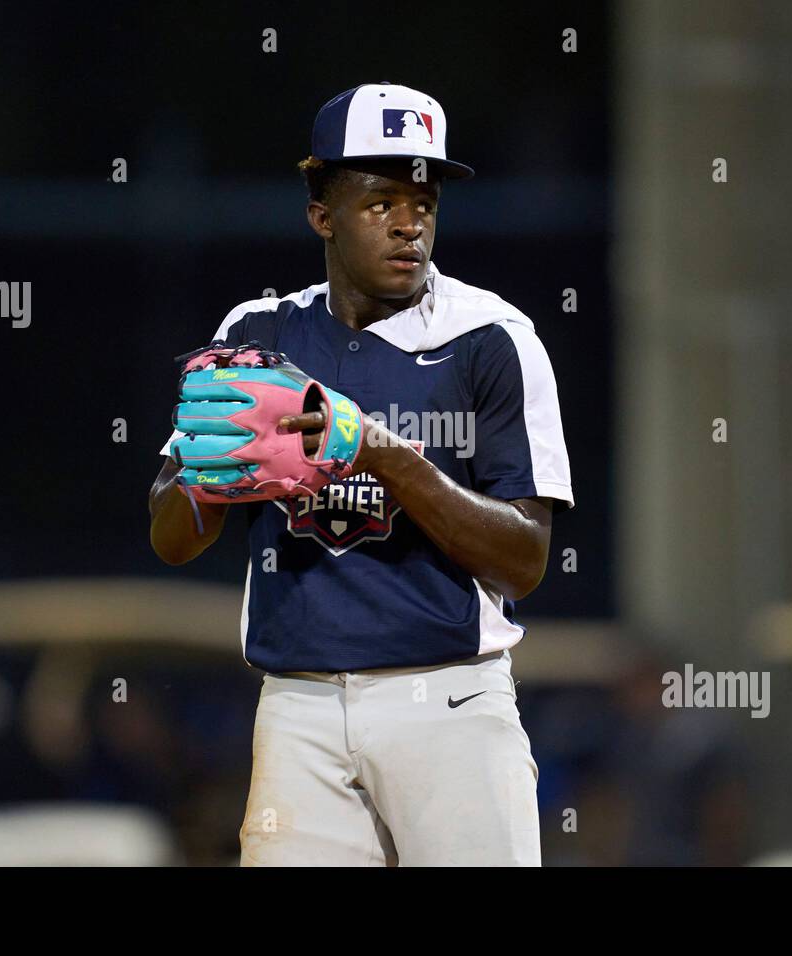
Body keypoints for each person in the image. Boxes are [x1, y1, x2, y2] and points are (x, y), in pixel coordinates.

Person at [148, 82, 573, 866]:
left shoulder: (490, 337)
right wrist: (206, 478)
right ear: (322, 214)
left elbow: (526, 558)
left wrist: (378, 452)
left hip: (450, 704)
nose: (410, 222)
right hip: (297, 709)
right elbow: (172, 538)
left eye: (425, 198)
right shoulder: (258, 334)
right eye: (381, 200)